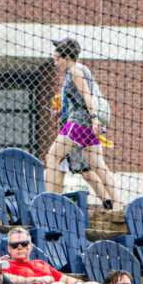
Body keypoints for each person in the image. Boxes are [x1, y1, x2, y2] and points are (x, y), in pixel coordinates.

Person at [43, 39, 118, 211]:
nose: (55, 63)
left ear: (67, 57)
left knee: (52, 157)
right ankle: (115, 203)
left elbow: (87, 96)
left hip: (79, 123)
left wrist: (94, 118)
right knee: (94, 165)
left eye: (57, 59)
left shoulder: (76, 71)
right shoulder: (77, 71)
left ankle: (49, 203)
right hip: (83, 123)